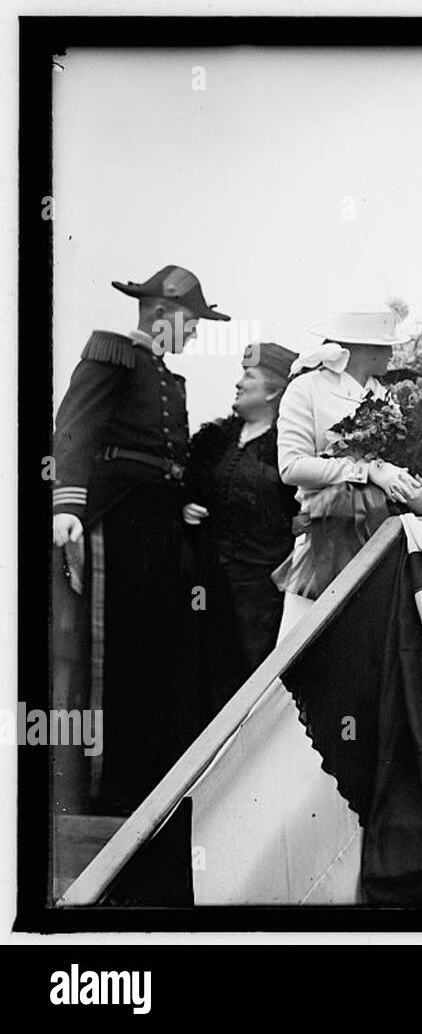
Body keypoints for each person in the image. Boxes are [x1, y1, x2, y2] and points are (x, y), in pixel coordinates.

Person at [51, 264, 230, 815]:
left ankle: (141, 781)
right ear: (160, 314)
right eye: (191, 321)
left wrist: (182, 501)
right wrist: (68, 504)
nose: (196, 331)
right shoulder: (112, 352)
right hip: (117, 518)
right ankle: (107, 789)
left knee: (153, 649)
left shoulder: (167, 376)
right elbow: (75, 428)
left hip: (157, 523)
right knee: (111, 649)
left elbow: (164, 459)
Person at [274, 307, 422, 633]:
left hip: (383, 540)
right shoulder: (307, 388)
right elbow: (291, 467)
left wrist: (420, 498)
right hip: (324, 539)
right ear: (363, 348)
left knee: (371, 645)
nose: (391, 353)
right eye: (385, 345)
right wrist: (365, 471)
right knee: (304, 641)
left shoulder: (390, 396)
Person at [182, 343, 300, 717]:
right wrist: (184, 503)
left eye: (248, 376)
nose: (238, 383)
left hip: (263, 586)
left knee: (254, 673)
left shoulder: (288, 445)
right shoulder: (214, 439)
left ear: (273, 390)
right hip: (207, 577)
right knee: (204, 670)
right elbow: (189, 485)